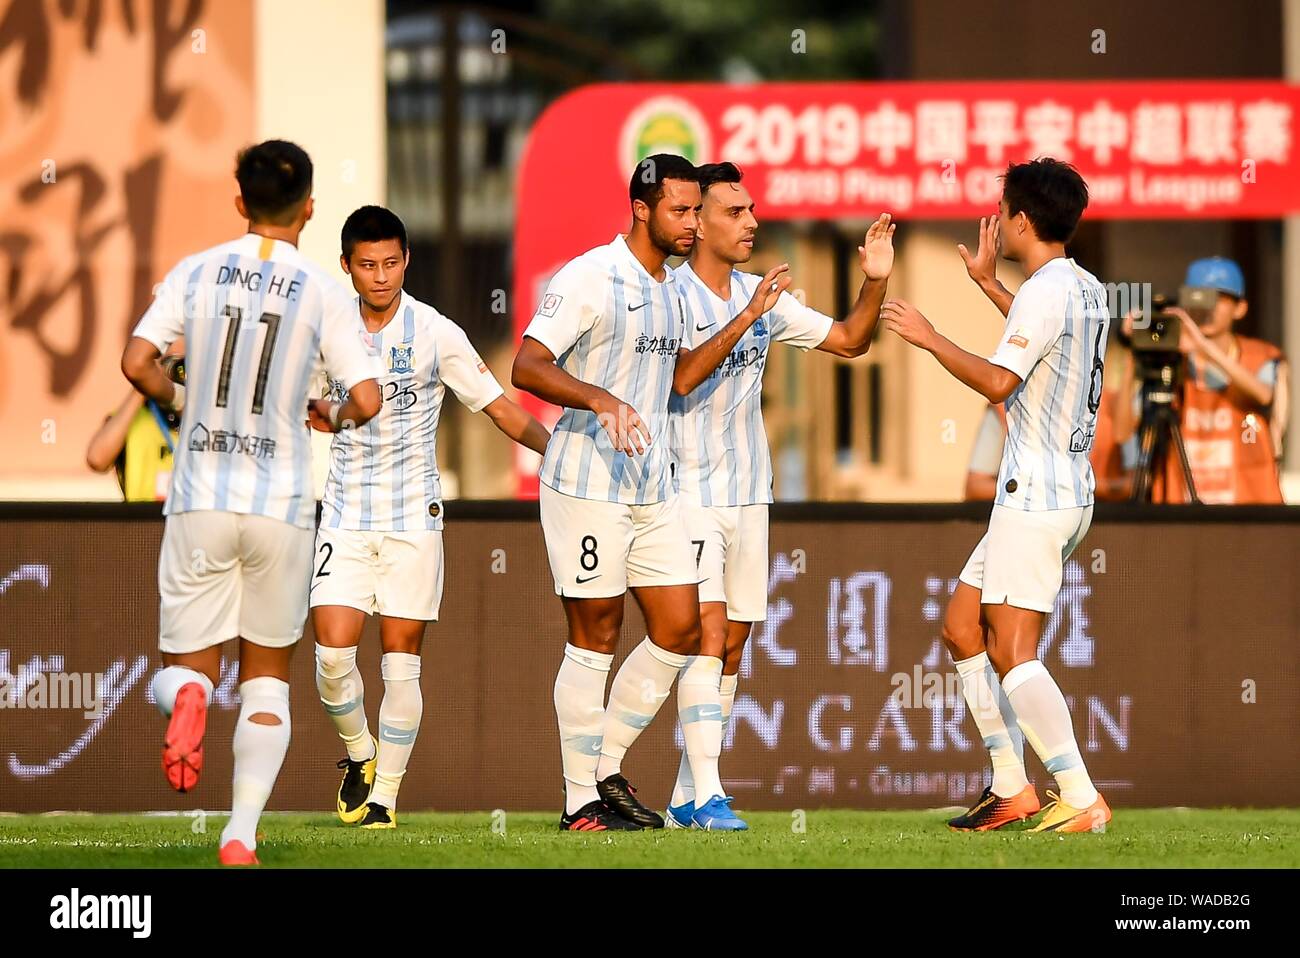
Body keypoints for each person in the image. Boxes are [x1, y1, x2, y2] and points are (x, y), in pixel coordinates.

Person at [120, 139, 384, 865]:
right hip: (283, 505)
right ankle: (239, 835)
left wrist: (181, 398)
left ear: (241, 203)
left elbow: (135, 361)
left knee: (184, 667)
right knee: (268, 676)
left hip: (201, 492)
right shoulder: (321, 289)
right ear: (309, 209)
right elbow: (367, 397)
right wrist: (329, 414)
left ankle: (188, 700)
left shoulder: (197, 271)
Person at [882, 157, 1112, 834]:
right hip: (1062, 490)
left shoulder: (1047, 290)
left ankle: (1079, 794)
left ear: (1020, 219)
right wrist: (989, 284)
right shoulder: (1084, 288)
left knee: (1013, 651)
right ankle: (1011, 787)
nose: (995, 220)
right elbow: (1043, 341)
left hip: (1035, 493)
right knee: (960, 626)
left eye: (1001, 208)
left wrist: (929, 338)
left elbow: (997, 383)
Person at [663, 161, 894, 828]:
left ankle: (685, 795)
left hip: (747, 493)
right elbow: (680, 378)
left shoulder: (760, 293)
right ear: (697, 221)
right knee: (705, 636)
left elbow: (851, 340)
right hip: (687, 489)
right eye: (736, 212)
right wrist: (747, 316)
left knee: (731, 643)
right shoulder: (671, 295)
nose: (752, 222)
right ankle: (706, 793)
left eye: (751, 210)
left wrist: (874, 280)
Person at [310, 205, 550, 830]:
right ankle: (361, 755)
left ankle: (384, 800)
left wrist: (562, 452)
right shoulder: (325, 332)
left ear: (406, 260)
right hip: (343, 513)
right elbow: (294, 399)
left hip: (413, 516)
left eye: (391, 262)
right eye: (367, 265)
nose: (381, 276)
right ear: (347, 267)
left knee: (400, 660)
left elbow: (499, 407)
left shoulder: (437, 332)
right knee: (332, 657)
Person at [511, 154, 717, 831]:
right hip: (586, 483)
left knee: (681, 629)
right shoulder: (591, 276)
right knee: (596, 634)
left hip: (649, 484)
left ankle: (603, 768)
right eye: (681, 211)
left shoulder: (676, 287)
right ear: (642, 209)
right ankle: (579, 804)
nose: (692, 224)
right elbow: (528, 365)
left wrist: (746, 322)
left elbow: (677, 376)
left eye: (696, 211)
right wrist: (600, 399)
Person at [1112, 257, 1289, 504]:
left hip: (1249, 513)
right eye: (1200, 297)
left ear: (1240, 308)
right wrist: (1135, 351)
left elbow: (1263, 394)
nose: (1208, 308)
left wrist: (1201, 347)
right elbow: (1122, 432)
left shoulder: (1260, 357)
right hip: (1187, 515)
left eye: (1218, 298)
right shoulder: (1173, 363)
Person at [86, 339, 185, 500]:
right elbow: (96, 459)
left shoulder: (208, 416)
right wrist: (146, 381)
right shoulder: (134, 416)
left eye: (184, 366)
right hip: (142, 522)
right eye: (170, 363)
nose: (177, 374)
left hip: (189, 520)